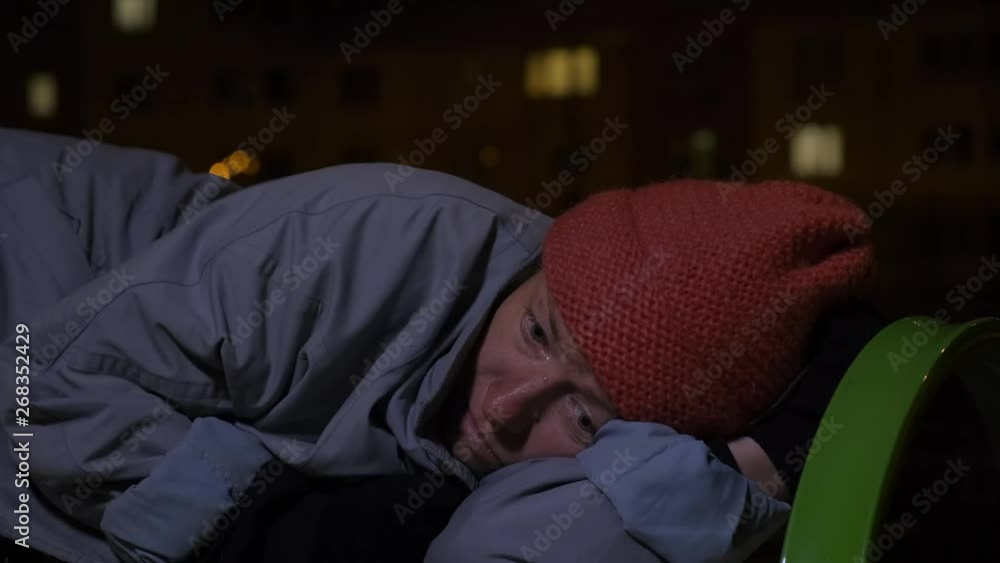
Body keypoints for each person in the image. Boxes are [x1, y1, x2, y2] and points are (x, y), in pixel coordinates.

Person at [0, 129, 874, 562]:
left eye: (580, 413)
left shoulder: (624, 450)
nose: (503, 407)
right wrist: (265, 520)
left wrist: (774, 451)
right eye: (537, 332)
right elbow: (41, 400)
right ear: (538, 264)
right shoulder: (358, 246)